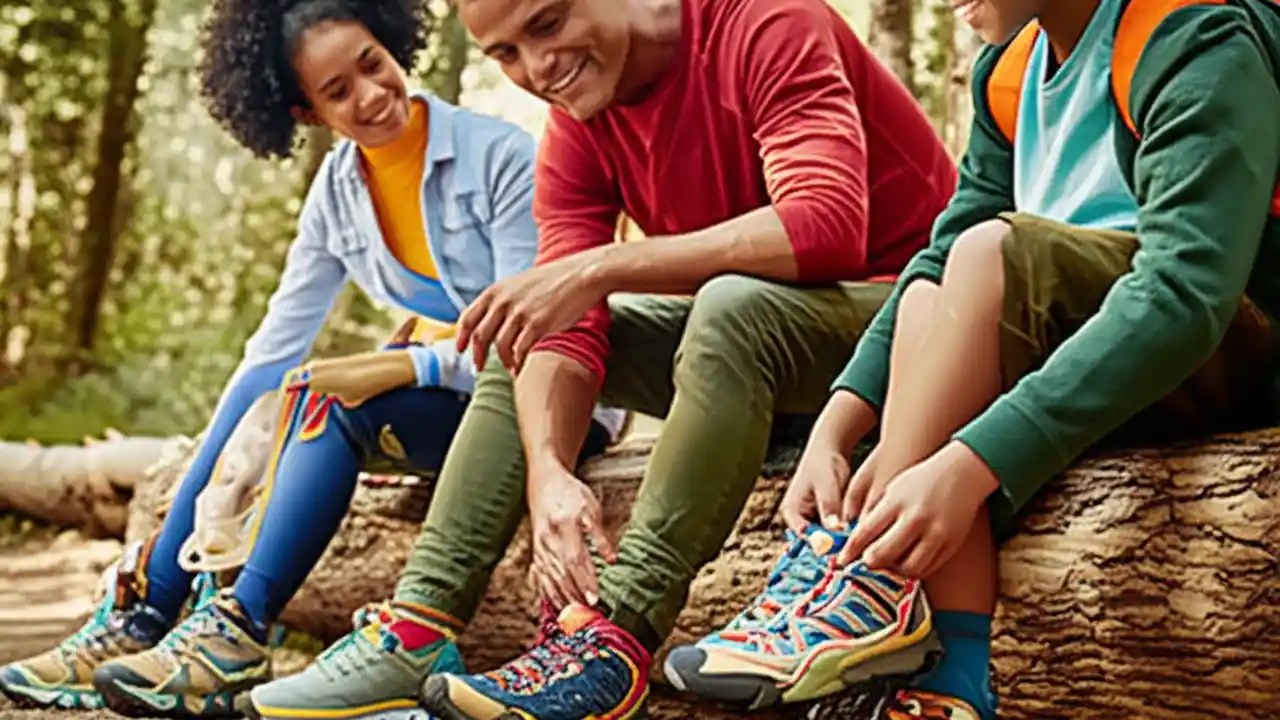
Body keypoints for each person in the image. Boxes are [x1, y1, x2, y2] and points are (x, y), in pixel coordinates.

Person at [247, 0, 953, 717]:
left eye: (547, 25)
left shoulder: (766, 22)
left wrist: (599, 268)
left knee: (731, 305)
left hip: (915, 334)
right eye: (506, 55)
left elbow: (825, 222)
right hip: (776, 354)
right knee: (523, 324)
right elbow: (563, 327)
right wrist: (548, 475)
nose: (537, 68)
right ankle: (417, 626)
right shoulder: (578, 123)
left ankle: (612, 641)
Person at [0, 0, 625, 715]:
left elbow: (540, 329)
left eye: (373, 65)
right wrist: (208, 467)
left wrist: (405, 366)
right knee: (288, 389)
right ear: (305, 114)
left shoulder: (500, 156)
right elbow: (268, 358)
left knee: (331, 396)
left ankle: (236, 631)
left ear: (393, 47)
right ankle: (142, 618)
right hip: (455, 410)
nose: (371, 94)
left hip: (548, 407)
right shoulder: (337, 196)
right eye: (338, 92)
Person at [668, 0, 1280, 717]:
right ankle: (947, 683)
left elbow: (1187, 295)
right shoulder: (1010, 68)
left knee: (987, 250)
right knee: (936, 288)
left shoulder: (1193, 35)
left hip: (1227, 354)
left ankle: (866, 577)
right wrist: (837, 423)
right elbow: (936, 258)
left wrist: (969, 463)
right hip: (1083, 358)